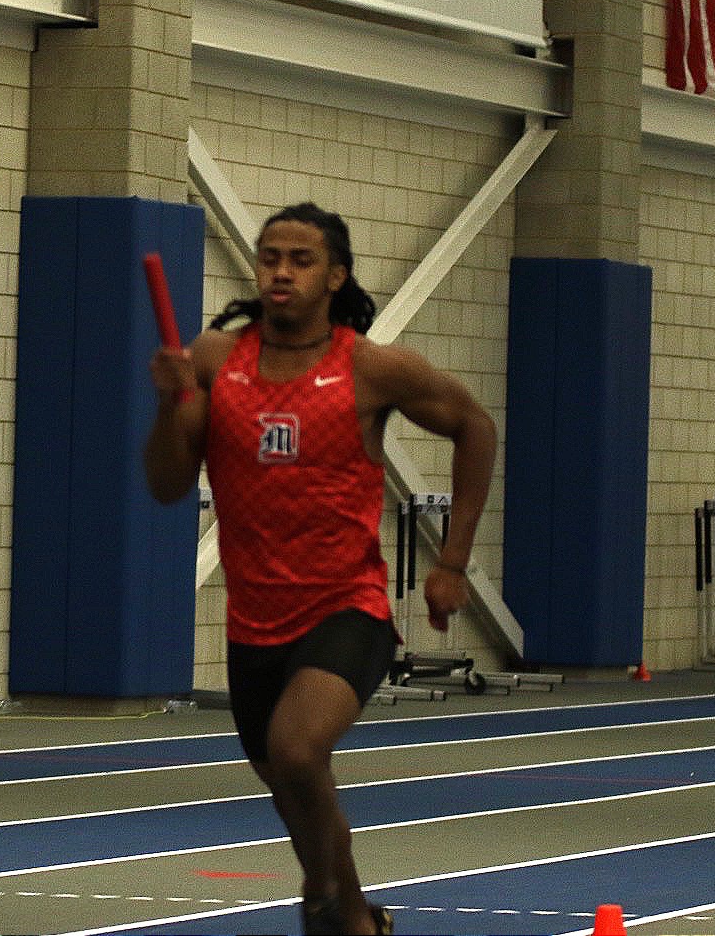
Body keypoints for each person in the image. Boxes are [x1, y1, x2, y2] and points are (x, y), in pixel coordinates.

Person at [144, 203, 495, 936]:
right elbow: (167, 484)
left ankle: (321, 898)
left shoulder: (369, 368)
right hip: (254, 624)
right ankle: (357, 919)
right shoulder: (215, 360)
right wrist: (172, 402)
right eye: (270, 255)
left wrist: (453, 560)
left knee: (298, 751)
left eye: (300, 259)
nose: (280, 269)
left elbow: (475, 425)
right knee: (298, 790)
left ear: (334, 276)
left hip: (346, 607)